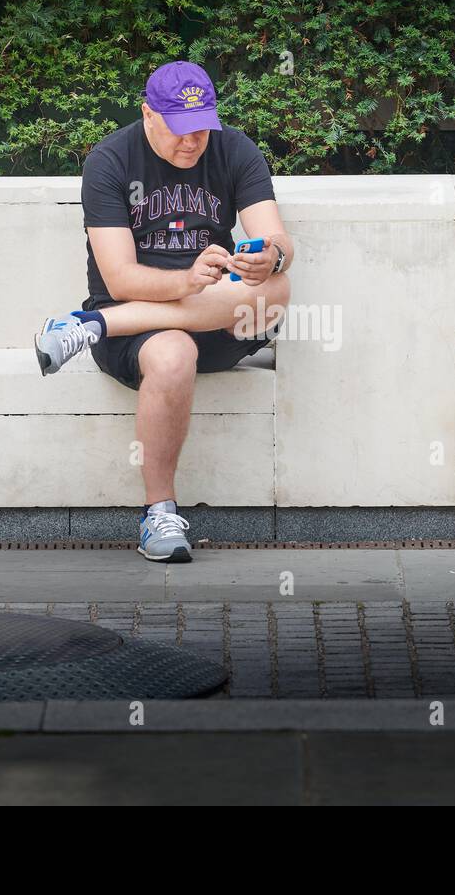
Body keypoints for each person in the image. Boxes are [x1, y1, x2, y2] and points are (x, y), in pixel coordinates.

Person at [34, 61, 293, 563]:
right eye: (179, 129)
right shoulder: (110, 160)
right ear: (148, 114)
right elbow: (120, 278)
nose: (192, 142)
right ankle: (159, 513)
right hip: (137, 321)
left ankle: (88, 326)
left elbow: (278, 239)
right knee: (173, 352)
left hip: (217, 318)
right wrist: (185, 281)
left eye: (202, 129)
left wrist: (270, 256)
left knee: (275, 291)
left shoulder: (235, 149)